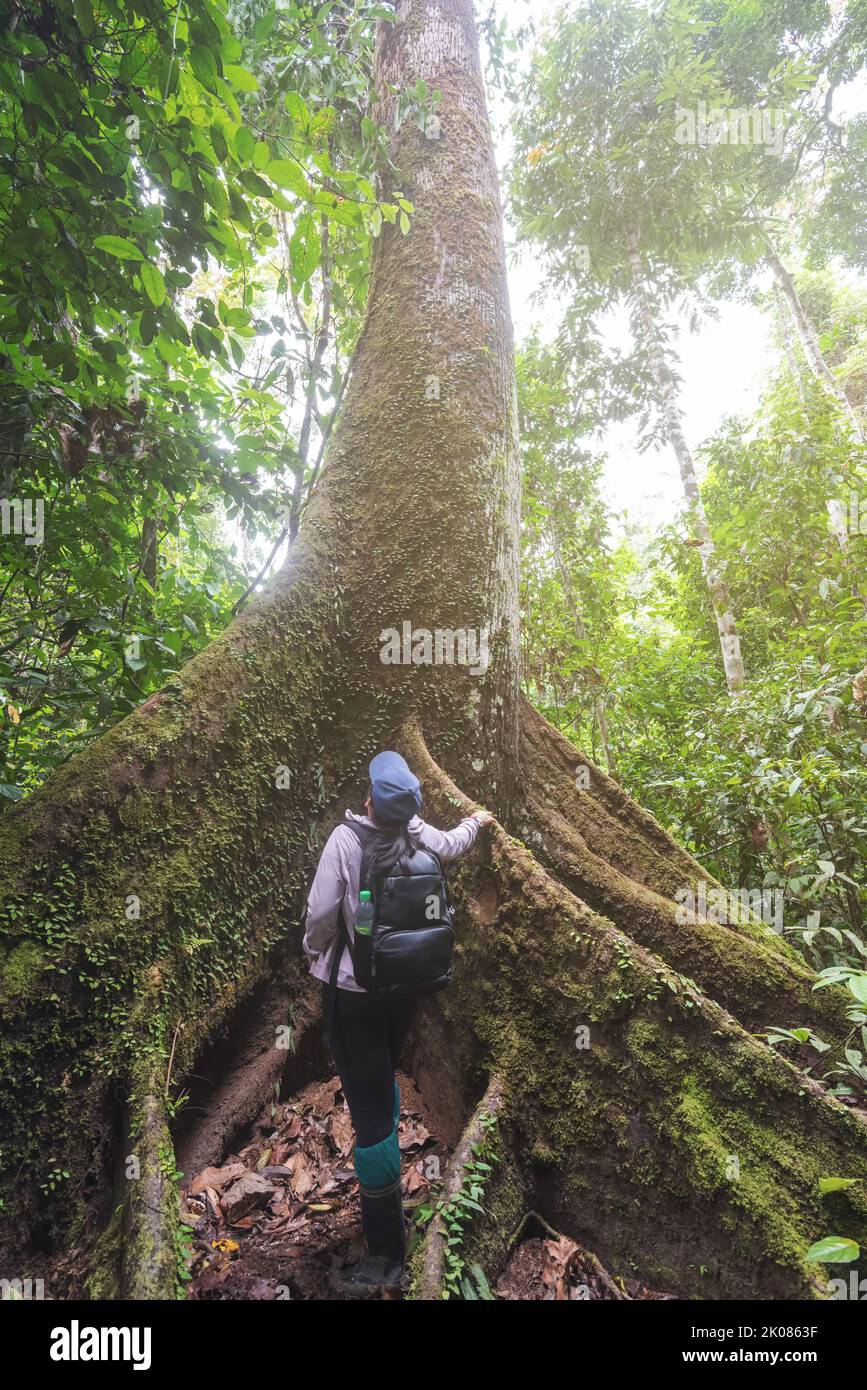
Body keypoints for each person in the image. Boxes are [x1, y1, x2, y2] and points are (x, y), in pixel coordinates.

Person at [303, 750, 493, 1295]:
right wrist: (476, 823)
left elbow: (320, 916)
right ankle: (390, 1198)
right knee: (380, 1081)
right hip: (405, 992)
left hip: (354, 995)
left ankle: (387, 1253)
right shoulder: (417, 834)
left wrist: (313, 953)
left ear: (370, 797)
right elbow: (452, 845)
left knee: (370, 1121)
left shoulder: (347, 840)